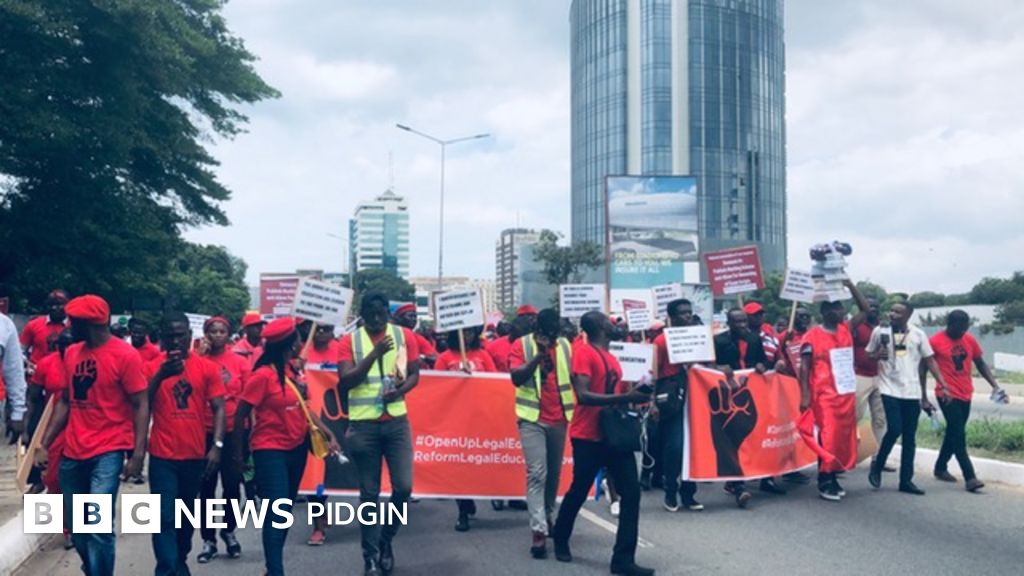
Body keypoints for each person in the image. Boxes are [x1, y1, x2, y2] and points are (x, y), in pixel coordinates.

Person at [36, 295, 149, 576]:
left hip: (109, 450)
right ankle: (93, 568)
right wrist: (44, 443)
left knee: (97, 525)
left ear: (90, 324)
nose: (67, 324)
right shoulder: (73, 353)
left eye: (74, 321)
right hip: (73, 451)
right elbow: (65, 401)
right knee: (78, 527)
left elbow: (140, 403)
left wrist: (137, 454)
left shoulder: (125, 356)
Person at [232, 317, 340, 576]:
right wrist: (238, 453)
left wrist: (328, 434)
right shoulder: (263, 376)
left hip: (297, 449)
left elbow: (305, 409)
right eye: (298, 340)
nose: (302, 343)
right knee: (277, 510)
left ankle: (272, 568)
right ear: (289, 345)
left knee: (285, 511)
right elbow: (240, 414)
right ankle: (276, 570)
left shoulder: (294, 373)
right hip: (270, 450)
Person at [552, 311, 654, 576]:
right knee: (579, 489)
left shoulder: (611, 358)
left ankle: (623, 559)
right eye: (608, 320)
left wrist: (637, 396)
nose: (613, 323)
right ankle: (561, 536)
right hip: (588, 435)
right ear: (598, 326)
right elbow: (584, 395)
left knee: (631, 492)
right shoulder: (584, 354)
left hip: (613, 435)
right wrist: (623, 398)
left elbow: (615, 395)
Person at [338, 292, 420, 576]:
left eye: (381, 312)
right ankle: (370, 557)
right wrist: (374, 355)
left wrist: (400, 390)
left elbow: (414, 375)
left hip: (396, 421)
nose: (376, 318)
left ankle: (385, 539)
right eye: (371, 313)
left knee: (404, 487)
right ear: (362, 314)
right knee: (369, 495)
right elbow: (346, 381)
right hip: (363, 426)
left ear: (388, 312)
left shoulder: (404, 336)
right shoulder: (350, 341)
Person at [145, 312, 226, 576]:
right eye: (171, 336)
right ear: (163, 339)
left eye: (181, 336)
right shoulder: (150, 366)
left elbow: (219, 408)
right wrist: (160, 375)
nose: (176, 341)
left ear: (190, 338)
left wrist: (216, 446)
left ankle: (179, 560)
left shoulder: (206, 368)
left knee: (185, 519)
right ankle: (166, 569)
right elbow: (140, 403)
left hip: (194, 455)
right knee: (164, 517)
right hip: (161, 455)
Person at [507, 309, 573, 557]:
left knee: (553, 475)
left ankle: (546, 516)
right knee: (537, 473)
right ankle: (538, 531)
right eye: (547, 330)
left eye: (555, 329)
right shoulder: (521, 345)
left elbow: (575, 377)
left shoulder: (566, 346)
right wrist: (538, 357)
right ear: (537, 328)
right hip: (532, 419)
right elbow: (516, 378)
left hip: (559, 418)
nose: (552, 334)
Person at [866, 301, 947, 495]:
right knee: (894, 429)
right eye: (891, 310)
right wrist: (877, 354)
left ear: (908, 315)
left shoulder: (918, 334)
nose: (892, 314)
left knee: (910, 437)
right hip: (888, 388)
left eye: (898, 312)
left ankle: (906, 481)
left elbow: (929, 360)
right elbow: (868, 354)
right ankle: (878, 465)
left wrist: (943, 384)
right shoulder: (880, 331)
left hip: (911, 391)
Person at [926, 310, 1006, 492]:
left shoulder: (969, 340)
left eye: (965, 328)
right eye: (959, 328)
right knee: (959, 434)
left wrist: (994, 385)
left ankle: (940, 467)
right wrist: (922, 395)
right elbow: (924, 368)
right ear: (949, 324)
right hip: (946, 394)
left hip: (966, 392)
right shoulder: (935, 342)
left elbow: (980, 363)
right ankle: (970, 477)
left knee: (954, 431)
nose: (962, 332)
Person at [433, 325, 496, 532]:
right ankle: (462, 508)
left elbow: (495, 383)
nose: (467, 337)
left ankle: (471, 496)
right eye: (464, 333)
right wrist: (456, 379)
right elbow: (436, 385)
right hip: (454, 418)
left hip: (480, 418)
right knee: (459, 464)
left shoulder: (483, 355)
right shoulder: (445, 358)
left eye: (470, 333)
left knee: (475, 462)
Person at [197, 317, 250, 562]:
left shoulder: (240, 362)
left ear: (229, 334)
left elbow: (250, 401)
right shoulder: (198, 359)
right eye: (213, 331)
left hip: (234, 432)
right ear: (206, 333)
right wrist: (197, 354)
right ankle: (208, 540)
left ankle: (229, 532)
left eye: (222, 331)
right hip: (203, 431)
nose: (218, 335)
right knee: (205, 488)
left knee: (232, 486)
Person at [798, 298, 858, 502]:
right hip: (823, 394)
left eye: (839, 308)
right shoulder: (811, 336)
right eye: (832, 309)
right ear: (823, 312)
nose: (837, 312)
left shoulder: (845, 330)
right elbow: (804, 367)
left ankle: (833, 476)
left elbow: (866, 312)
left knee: (841, 438)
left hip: (845, 393)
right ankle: (824, 479)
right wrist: (805, 395)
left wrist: (850, 286)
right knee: (828, 436)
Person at [712, 308, 768, 505]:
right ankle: (739, 485)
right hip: (727, 397)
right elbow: (707, 367)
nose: (743, 325)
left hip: (751, 395)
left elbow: (763, 361)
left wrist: (763, 366)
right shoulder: (719, 342)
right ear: (729, 323)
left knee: (754, 436)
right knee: (734, 439)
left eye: (744, 321)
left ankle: (761, 477)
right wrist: (719, 369)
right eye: (738, 322)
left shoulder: (754, 339)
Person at [651, 299, 703, 512]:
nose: (687, 316)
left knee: (695, 448)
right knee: (676, 446)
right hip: (672, 400)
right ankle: (670, 491)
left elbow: (709, 364)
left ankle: (689, 493)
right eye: (683, 313)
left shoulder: (699, 338)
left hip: (696, 399)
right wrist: (652, 401)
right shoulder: (661, 342)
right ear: (672, 317)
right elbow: (652, 373)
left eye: (690, 313)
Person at [27, 329, 74, 548]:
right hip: (54, 430)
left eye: (71, 344)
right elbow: (34, 397)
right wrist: (31, 430)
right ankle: (65, 526)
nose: (66, 348)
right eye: (62, 344)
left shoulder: (86, 361)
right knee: (53, 479)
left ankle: (78, 529)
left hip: (81, 428)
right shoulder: (47, 364)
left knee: (80, 480)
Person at [304, 322, 340, 547]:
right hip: (309, 419)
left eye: (326, 328)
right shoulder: (302, 351)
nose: (321, 333)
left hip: (338, 417)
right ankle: (318, 525)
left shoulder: (343, 350)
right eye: (316, 329)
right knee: (313, 474)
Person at [851, 293, 888, 466]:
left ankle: (877, 458)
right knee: (854, 417)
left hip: (880, 376)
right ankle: (846, 455)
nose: (872, 309)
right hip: (860, 375)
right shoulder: (856, 328)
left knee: (880, 418)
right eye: (869, 306)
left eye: (875, 307)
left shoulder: (884, 328)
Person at [20, 289, 69, 366]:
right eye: (51, 304)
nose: (54, 308)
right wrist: (27, 363)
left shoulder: (74, 327)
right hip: (36, 372)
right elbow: (19, 350)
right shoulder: (33, 324)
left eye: (59, 304)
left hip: (64, 372)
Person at [392, 303, 437, 368]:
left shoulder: (418, 338)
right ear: (400, 318)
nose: (413, 319)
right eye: (410, 316)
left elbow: (434, 356)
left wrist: (422, 358)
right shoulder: (392, 334)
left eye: (415, 317)